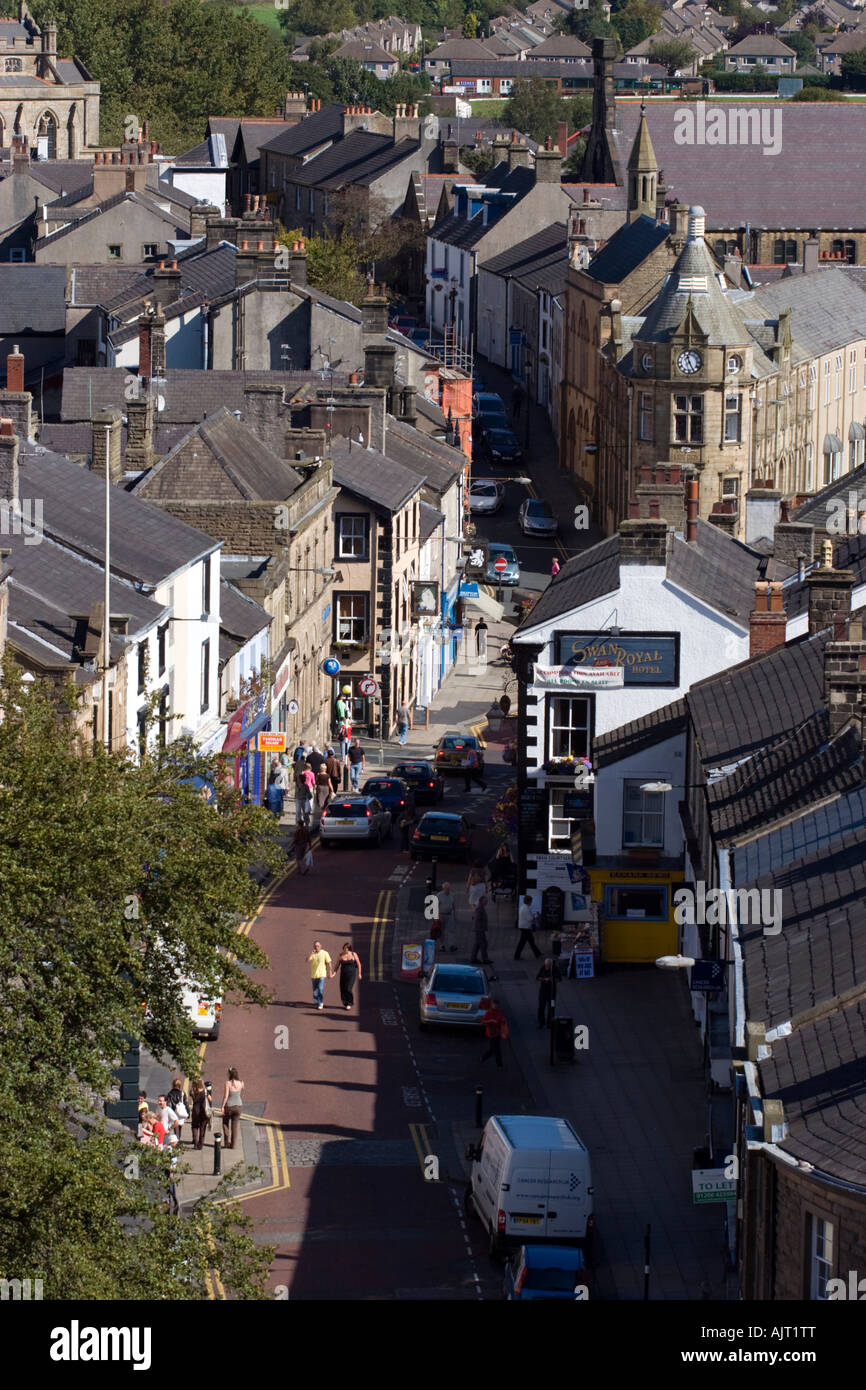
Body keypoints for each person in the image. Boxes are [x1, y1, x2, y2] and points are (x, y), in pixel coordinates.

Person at [480, 998, 508, 1069]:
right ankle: (500, 1065)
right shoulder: (488, 1012)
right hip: (491, 1033)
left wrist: (503, 1021)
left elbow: (502, 1020)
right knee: (496, 1050)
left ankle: (483, 1058)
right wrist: (491, 1020)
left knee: (494, 1050)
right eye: (494, 1005)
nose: (495, 1006)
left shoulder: (500, 1012)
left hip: (497, 1033)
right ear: (492, 1005)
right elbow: (483, 1021)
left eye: (497, 1005)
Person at [222, 1067, 244, 1151]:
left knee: (225, 1123)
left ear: (229, 1074)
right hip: (238, 1106)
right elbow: (242, 1091)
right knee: (235, 1126)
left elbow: (225, 1096)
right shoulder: (241, 1083)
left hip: (229, 1106)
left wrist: (222, 1106)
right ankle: (233, 1145)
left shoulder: (227, 1083)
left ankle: (226, 1142)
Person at [515, 893, 542, 960]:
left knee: (527, 941)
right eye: (531, 901)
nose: (531, 902)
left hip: (523, 926)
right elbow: (530, 918)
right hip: (525, 927)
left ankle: (537, 953)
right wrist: (535, 916)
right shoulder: (526, 908)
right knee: (528, 942)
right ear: (529, 901)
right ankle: (517, 956)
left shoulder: (523, 907)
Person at [337, 941, 362, 1009]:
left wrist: (359, 974)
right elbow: (337, 965)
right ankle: (345, 1003)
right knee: (343, 989)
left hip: (351, 975)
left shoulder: (354, 954)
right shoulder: (341, 955)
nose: (346, 950)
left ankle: (350, 1003)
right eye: (344, 948)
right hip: (343, 974)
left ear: (349, 949)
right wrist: (334, 973)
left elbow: (359, 964)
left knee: (348, 988)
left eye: (347, 948)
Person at [308, 940, 333, 1010]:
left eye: (318, 946)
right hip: (314, 975)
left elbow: (329, 963)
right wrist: (311, 954)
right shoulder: (313, 954)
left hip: (322, 974)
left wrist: (330, 971)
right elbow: (308, 960)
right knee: (315, 991)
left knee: (320, 989)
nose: (317, 947)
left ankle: (321, 1003)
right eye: (315, 946)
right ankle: (317, 1002)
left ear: (321, 946)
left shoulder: (325, 953)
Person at [536, 957, 559, 1029]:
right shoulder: (543, 967)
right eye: (546, 965)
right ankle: (541, 1022)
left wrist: (552, 980)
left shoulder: (555, 969)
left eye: (548, 966)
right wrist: (543, 979)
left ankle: (550, 1023)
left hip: (552, 992)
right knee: (541, 1007)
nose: (547, 967)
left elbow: (559, 979)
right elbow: (537, 977)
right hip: (543, 991)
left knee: (551, 1008)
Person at [470, 894, 492, 965]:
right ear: (481, 901)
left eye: (487, 901)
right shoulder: (479, 908)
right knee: (483, 944)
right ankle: (485, 959)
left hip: (480, 929)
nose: (486, 902)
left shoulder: (481, 907)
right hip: (479, 929)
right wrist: (480, 929)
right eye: (485, 901)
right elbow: (476, 919)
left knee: (477, 944)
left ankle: (473, 958)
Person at [437, 881, 458, 952]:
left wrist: (455, 915)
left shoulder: (452, 895)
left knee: (451, 930)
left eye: (449, 888)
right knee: (441, 931)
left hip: (449, 914)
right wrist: (436, 917)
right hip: (441, 915)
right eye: (447, 888)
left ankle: (451, 945)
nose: (448, 890)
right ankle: (442, 945)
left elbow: (454, 906)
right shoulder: (439, 895)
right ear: (443, 889)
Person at [189, 1078, 210, 1151]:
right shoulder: (205, 1092)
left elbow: (191, 1096)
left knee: (195, 1126)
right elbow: (210, 1099)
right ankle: (200, 1144)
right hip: (203, 1111)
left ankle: (195, 1140)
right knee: (202, 1127)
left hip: (195, 1110)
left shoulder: (192, 1091)